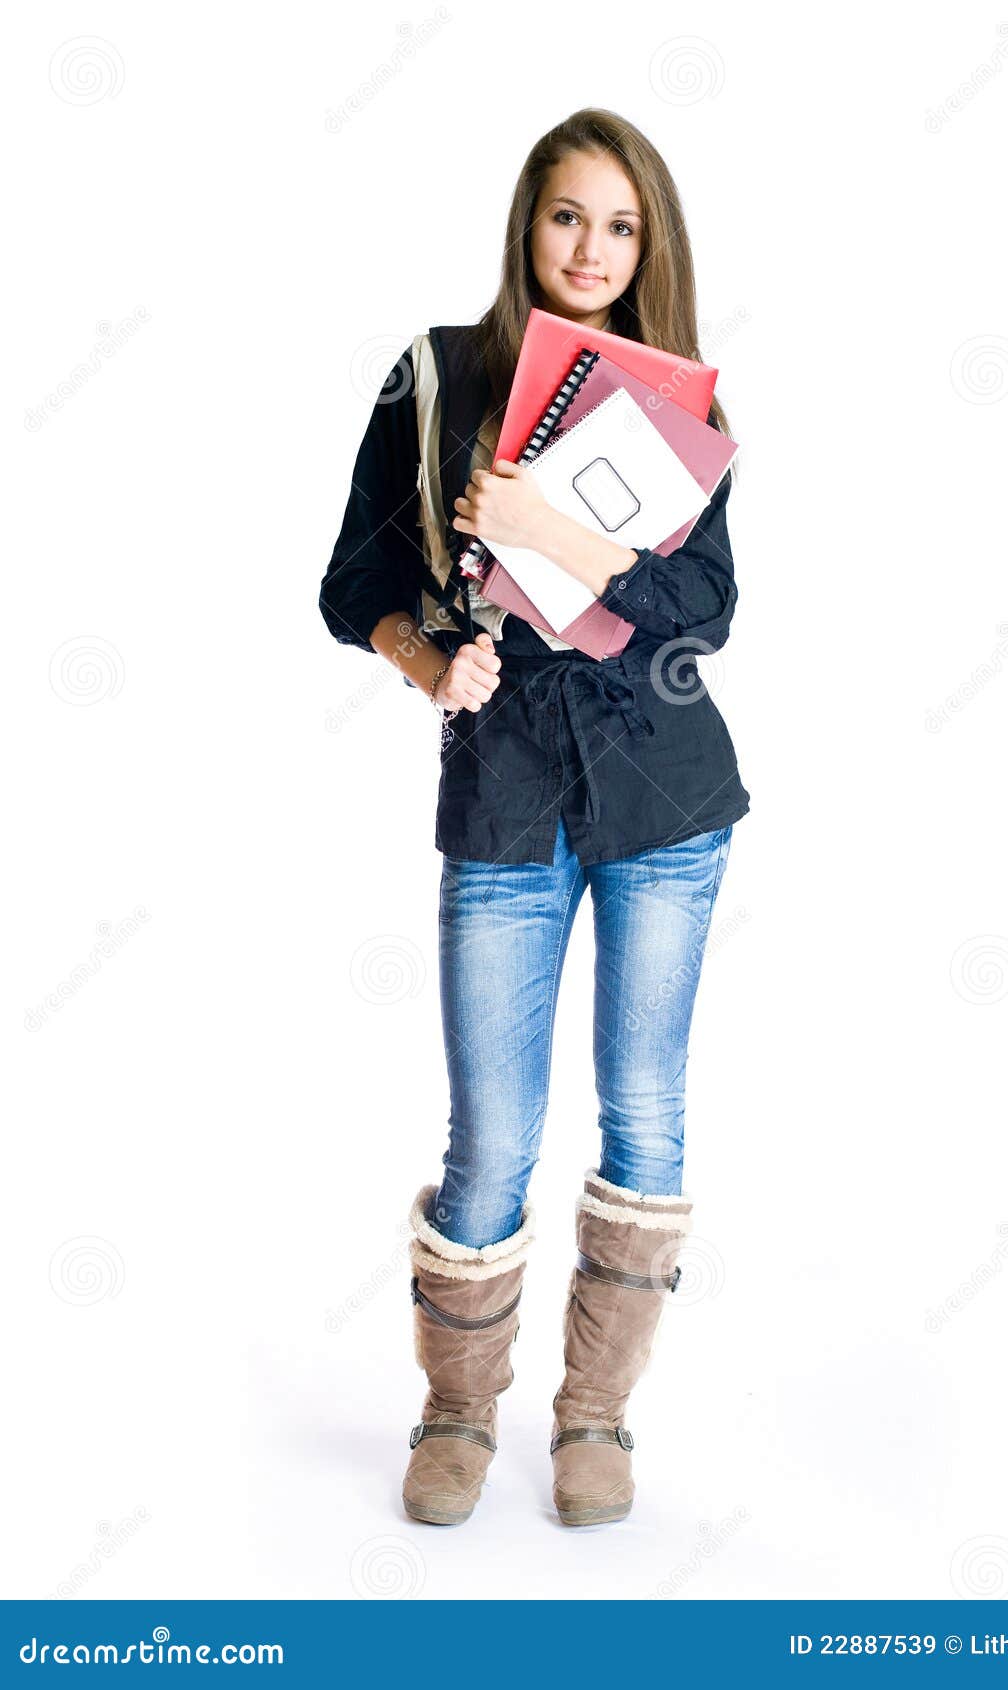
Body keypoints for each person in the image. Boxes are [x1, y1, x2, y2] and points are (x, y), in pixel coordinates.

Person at [318, 107, 750, 1528]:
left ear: (650, 246)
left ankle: (595, 1418)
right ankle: (457, 1410)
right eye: (570, 215)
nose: (592, 247)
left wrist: (551, 531)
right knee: (491, 1134)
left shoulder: (680, 406)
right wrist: (427, 660)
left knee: (645, 1113)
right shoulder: (437, 374)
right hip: (502, 794)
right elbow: (351, 581)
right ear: (528, 223)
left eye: (621, 225)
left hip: (663, 797)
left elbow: (705, 607)